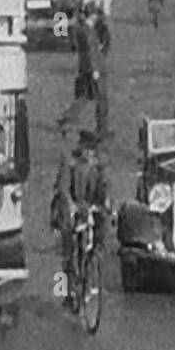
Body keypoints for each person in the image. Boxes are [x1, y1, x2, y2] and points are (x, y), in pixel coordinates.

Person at [52, 131, 110, 306]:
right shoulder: (69, 165)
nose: (90, 154)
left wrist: (106, 204)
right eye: (87, 149)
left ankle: (91, 276)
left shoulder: (98, 169)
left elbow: (105, 189)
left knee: (97, 240)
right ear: (81, 148)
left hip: (90, 210)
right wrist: (70, 205)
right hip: (71, 210)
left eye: (93, 150)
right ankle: (63, 293)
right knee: (67, 254)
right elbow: (62, 189)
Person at [57, 4, 110, 138]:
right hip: (94, 69)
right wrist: (96, 71)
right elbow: (91, 52)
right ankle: (101, 129)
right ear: (92, 16)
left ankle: (66, 117)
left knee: (85, 97)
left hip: (84, 68)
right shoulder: (89, 32)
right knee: (101, 99)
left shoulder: (79, 29)